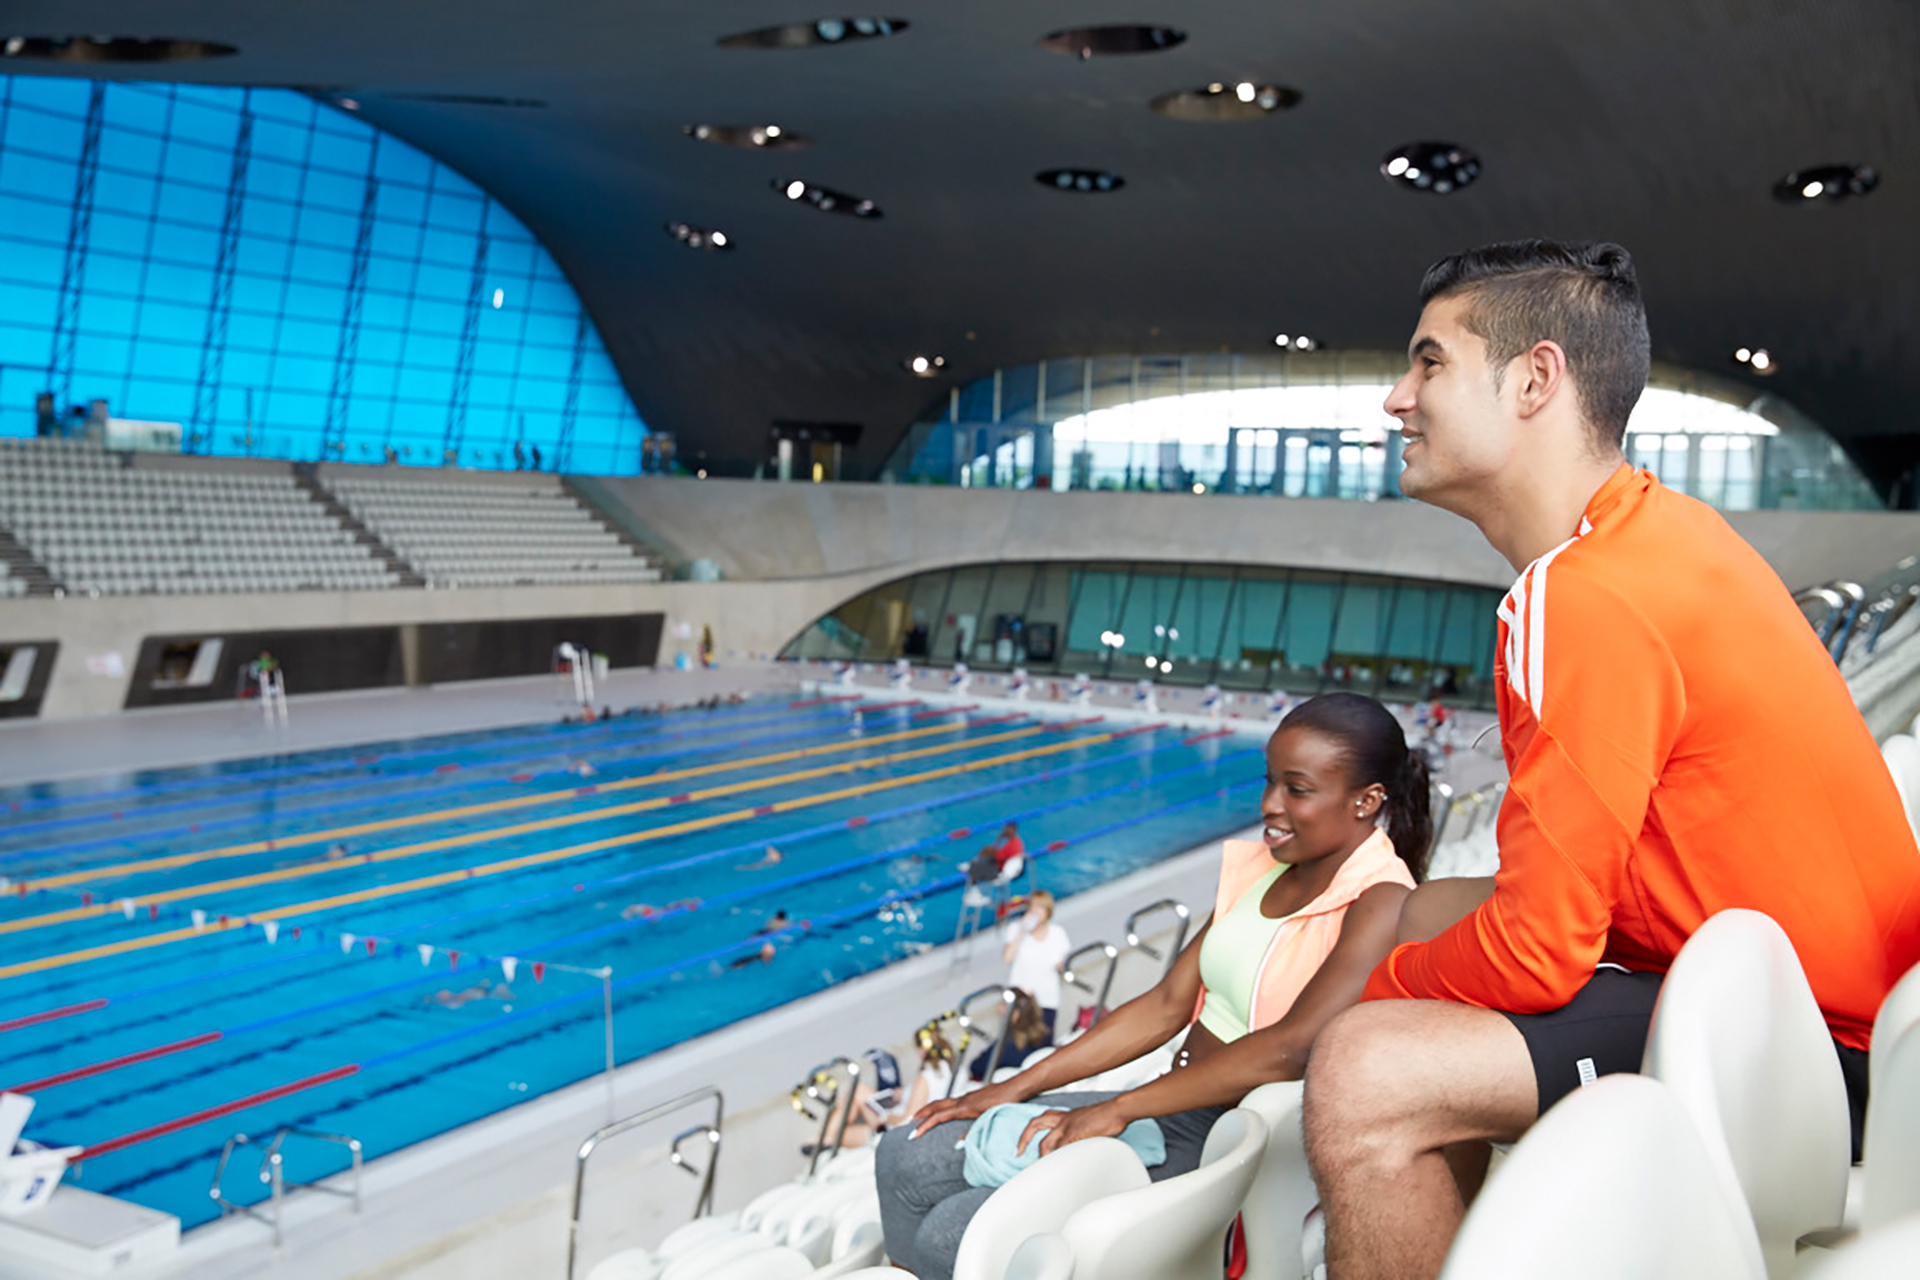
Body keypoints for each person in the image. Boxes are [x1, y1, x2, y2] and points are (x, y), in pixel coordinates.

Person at [1300, 240, 1920, 1280]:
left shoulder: (1582, 595)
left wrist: (1381, 996)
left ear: (1535, 379)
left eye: (1429, 363)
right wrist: (1406, 953)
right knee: (1417, 908)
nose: (1395, 398)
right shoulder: (1661, 531)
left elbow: (1539, 952)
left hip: (1813, 1050)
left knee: (1363, 1070)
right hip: (1839, 997)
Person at [876, 693, 1430, 1280]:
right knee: (902, 1153)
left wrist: (1118, 1107)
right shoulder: (1265, 873)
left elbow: (1289, 1046)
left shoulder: (1383, 902)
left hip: (1230, 1148)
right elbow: (1166, 1005)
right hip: (1169, 1108)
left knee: (956, 1234)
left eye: (1297, 789)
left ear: (1366, 801)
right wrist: (1012, 1087)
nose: (1270, 804)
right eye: (1269, 781)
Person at [1000, 890, 1070, 1039]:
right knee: (1013, 1041)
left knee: (1044, 1040)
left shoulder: (1057, 933)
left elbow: (1063, 963)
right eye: (1033, 907)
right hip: (1021, 999)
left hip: (1047, 998)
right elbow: (1007, 958)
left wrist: (1061, 966)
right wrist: (1021, 931)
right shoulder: (1016, 929)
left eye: (1040, 907)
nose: (1035, 912)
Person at [964, 989, 1053, 1083]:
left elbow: (976, 1067)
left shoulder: (1006, 1046)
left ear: (1015, 1013)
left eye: (1003, 1005)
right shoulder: (1044, 1036)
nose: (999, 1008)